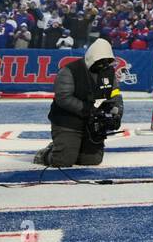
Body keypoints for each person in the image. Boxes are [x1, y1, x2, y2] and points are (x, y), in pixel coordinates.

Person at [33, 38, 125, 168]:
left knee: (92, 160)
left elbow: (115, 95)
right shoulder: (69, 71)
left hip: (93, 124)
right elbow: (63, 98)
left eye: (107, 61)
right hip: (68, 121)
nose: (103, 64)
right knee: (63, 161)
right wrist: (88, 110)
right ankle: (45, 154)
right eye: (101, 61)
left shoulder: (109, 73)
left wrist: (116, 113)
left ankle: (72, 148)